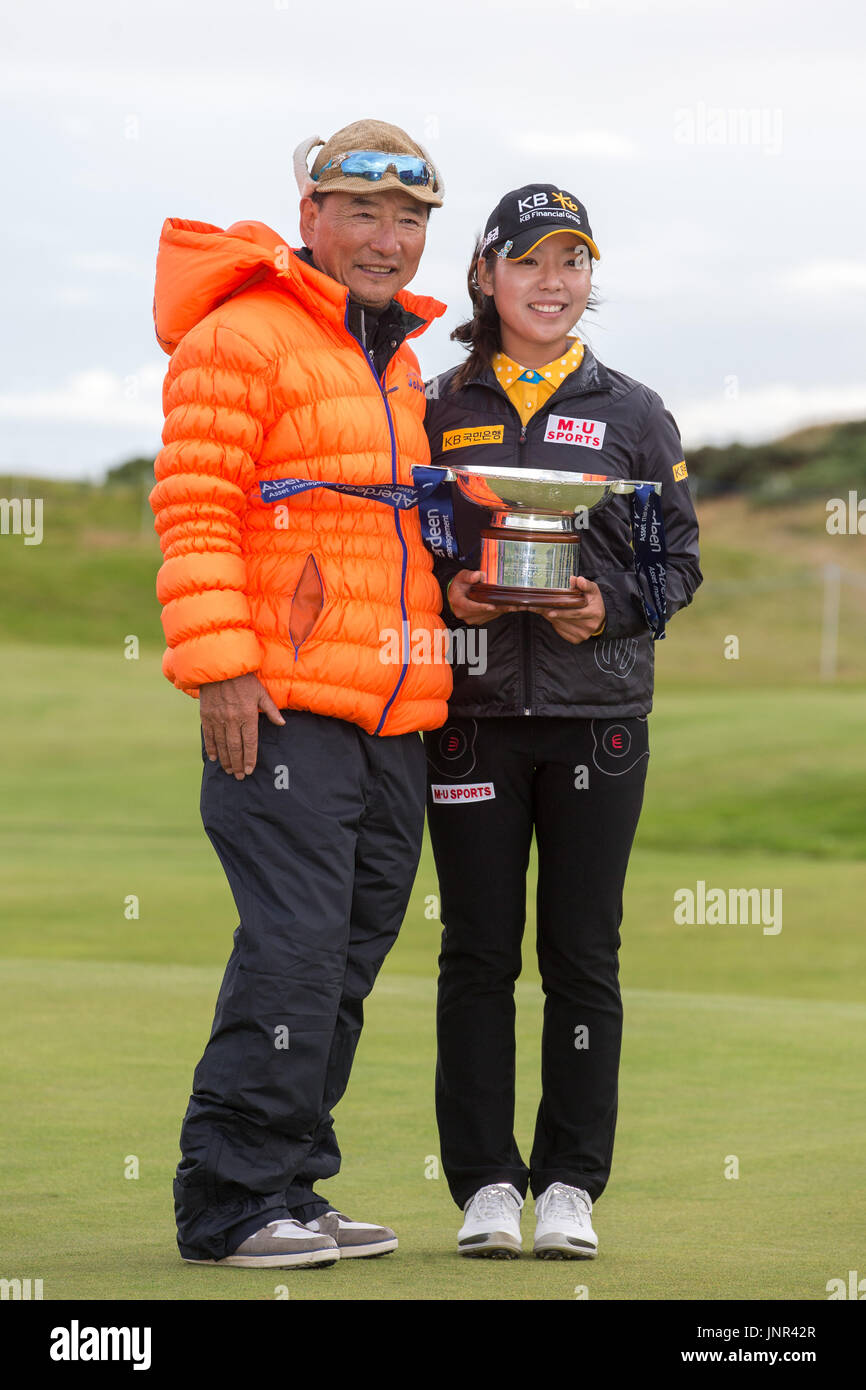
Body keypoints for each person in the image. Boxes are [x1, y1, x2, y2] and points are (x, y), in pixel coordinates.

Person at [150, 119, 451, 1269]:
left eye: (409, 219)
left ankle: (288, 1183)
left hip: (389, 715)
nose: (386, 239)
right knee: (290, 950)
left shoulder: (396, 356)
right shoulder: (241, 334)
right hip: (281, 703)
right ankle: (227, 1202)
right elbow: (193, 505)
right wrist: (219, 664)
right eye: (363, 213)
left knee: (345, 955)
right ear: (310, 217)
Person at [422, 183, 702, 1259]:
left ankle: (570, 1185)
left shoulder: (630, 410)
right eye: (530, 262)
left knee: (582, 955)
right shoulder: (438, 401)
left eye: (572, 263)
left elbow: (676, 561)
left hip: (597, 721)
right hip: (475, 716)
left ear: (590, 280)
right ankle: (487, 1183)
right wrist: (451, 592)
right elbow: (412, 541)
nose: (552, 283)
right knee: (477, 953)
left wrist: (609, 606)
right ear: (486, 276)